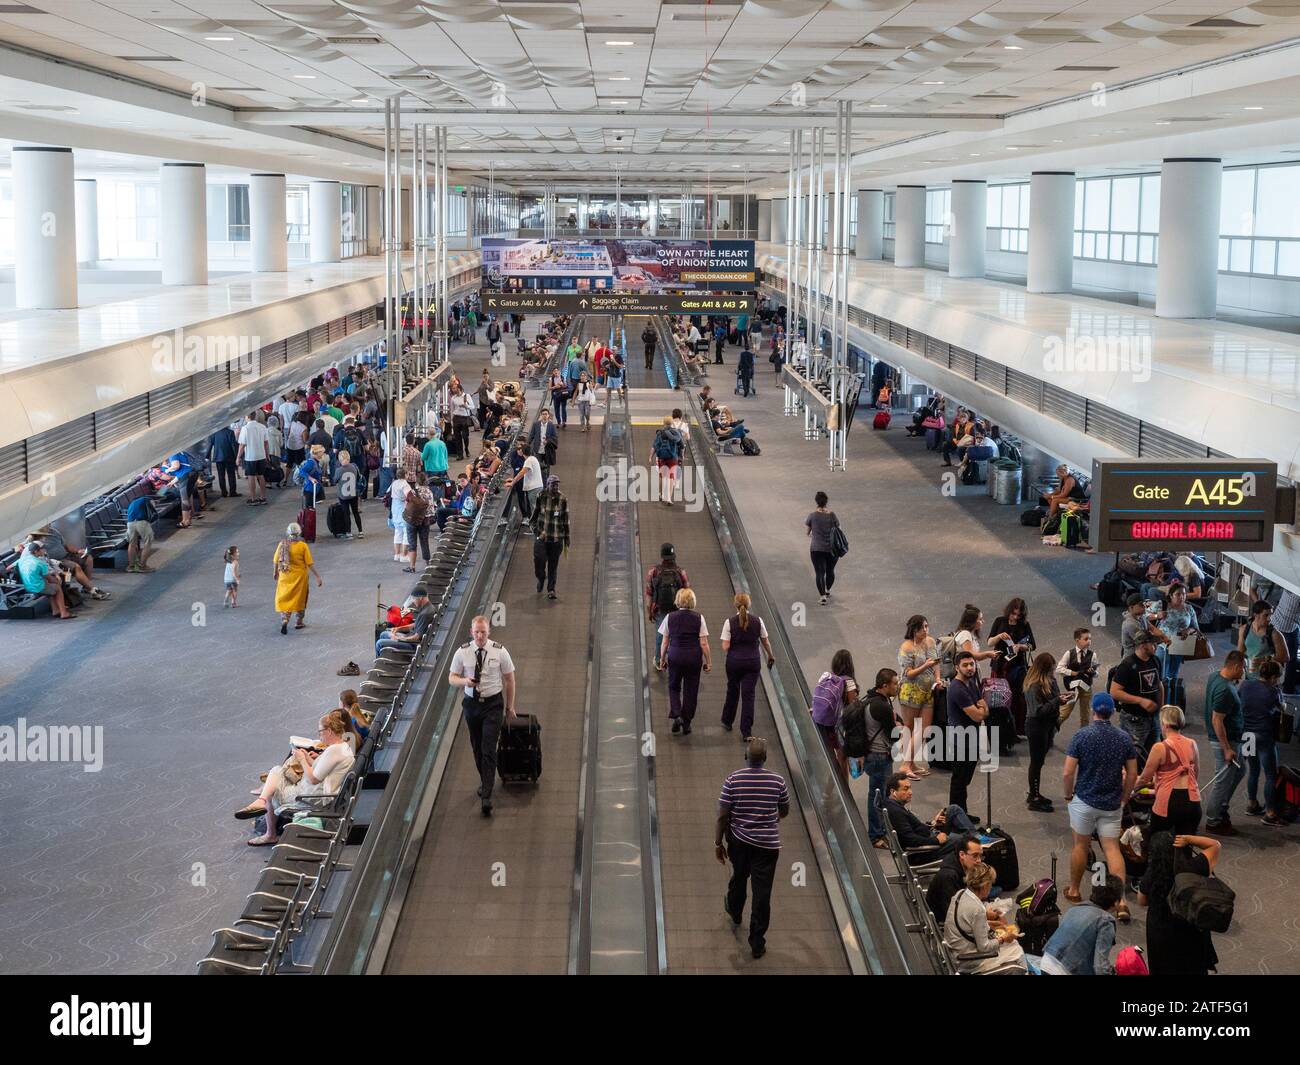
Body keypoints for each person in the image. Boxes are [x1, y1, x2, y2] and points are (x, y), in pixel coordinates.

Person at [1062, 694, 1137, 919]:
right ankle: (1121, 900)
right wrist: (1124, 798)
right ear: (1113, 712)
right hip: (1112, 803)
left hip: (1084, 800)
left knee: (1080, 846)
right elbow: (1132, 773)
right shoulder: (1124, 738)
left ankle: (1074, 890)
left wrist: (1068, 795)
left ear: (1094, 711)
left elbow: (1068, 772)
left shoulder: (1082, 735)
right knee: (1112, 849)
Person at [236, 710, 356, 846]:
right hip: (318, 791)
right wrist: (308, 758)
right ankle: (262, 801)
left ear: (329, 731)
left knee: (274, 779)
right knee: (276, 774)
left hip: (312, 796)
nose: (320, 736)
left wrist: (302, 760)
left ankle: (269, 832)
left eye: (320, 732)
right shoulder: (343, 746)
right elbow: (323, 771)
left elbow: (314, 779)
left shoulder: (333, 750)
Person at [716, 737, 789, 960]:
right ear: (765, 759)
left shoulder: (733, 779)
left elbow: (722, 816)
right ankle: (757, 941)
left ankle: (735, 910)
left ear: (746, 757)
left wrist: (718, 843)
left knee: (739, 877)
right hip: (767, 845)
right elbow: (784, 810)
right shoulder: (778, 781)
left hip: (739, 841)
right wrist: (770, 818)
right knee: (762, 891)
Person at [448, 616, 517, 817]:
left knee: (488, 747)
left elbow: (510, 679)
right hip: (471, 705)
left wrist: (510, 707)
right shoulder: (462, 652)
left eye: (483, 632)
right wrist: (465, 682)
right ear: (471, 632)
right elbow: (451, 678)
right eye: (477, 632)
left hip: (493, 704)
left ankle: (486, 794)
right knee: (477, 747)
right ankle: (485, 779)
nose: (480, 636)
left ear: (489, 632)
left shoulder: (499, 650)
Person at [1138, 831, 1221, 975]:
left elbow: (1142, 900)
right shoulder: (1195, 867)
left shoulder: (1153, 874)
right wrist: (1188, 839)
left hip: (1160, 930)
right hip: (1190, 926)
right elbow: (1215, 845)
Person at [845, 669, 901, 847]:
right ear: (885, 686)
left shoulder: (873, 699)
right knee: (877, 796)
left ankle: (881, 830)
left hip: (874, 754)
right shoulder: (882, 706)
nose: (897, 686)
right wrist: (898, 726)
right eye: (894, 683)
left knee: (881, 794)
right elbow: (894, 734)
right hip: (879, 756)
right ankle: (876, 835)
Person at [943, 862, 1027, 975]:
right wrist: (1003, 939)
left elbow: (967, 924)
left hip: (955, 951)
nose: (991, 887)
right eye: (991, 884)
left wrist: (989, 924)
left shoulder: (960, 894)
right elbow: (984, 948)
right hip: (968, 961)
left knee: (1011, 945)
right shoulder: (977, 909)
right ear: (984, 886)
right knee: (1016, 950)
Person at [1135, 705, 1203, 835]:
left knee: (1157, 843)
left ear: (1165, 724)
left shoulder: (1160, 747)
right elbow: (1196, 773)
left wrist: (1130, 790)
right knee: (1186, 846)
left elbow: (1144, 778)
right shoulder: (1192, 743)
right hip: (1192, 800)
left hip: (1169, 802)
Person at [1040, 875, 1123, 976]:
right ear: (1116, 902)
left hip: (1045, 961)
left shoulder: (1074, 909)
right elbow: (1100, 967)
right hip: (1065, 970)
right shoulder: (1106, 922)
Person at [719, 593, 775, 741]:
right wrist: (770, 655)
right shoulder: (758, 621)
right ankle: (746, 732)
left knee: (733, 690)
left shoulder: (729, 622)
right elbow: (765, 642)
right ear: (749, 605)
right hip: (752, 662)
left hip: (734, 663)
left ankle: (727, 721)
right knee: (748, 696)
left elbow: (725, 646)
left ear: (735, 605)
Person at [1203, 649, 1247, 836]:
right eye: (1242, 668)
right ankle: (1213, 820)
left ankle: (1221, 807)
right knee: (1222, 781)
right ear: (1236, 666)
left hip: (1229, 738)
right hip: (1224, 741)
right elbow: (1216, 720)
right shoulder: (1225, 690)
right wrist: (1227, 748)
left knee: (1240, 770)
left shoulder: (1216, 677)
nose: (1243, 671)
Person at [885, 772, 977, 856]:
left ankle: (978, 841)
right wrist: (936, 840)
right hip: (924, 850)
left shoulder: (894, 805)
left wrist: (933, 824)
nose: (910, 792)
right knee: (965, 840)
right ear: (893, 792)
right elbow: (910, 840)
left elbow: (915, 828)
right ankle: (979, 844)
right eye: (905, 789)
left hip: (929, 835)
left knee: (953, 809)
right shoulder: (895, 812)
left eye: (910, 788)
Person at [659, 587, 710, 735]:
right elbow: (704, 643)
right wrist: (708, 661)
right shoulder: (699, 618)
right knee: (691, 690)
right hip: (693, 657)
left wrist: (662, 659)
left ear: (678, 601)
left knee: (674, 686)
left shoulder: (670, 617)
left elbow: (665, 642)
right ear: (692, 601)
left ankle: (677, 714)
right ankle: (686, 722)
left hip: (675, 655)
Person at [1240, 658, 1285, 826]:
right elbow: (1282, 708)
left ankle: (1252, 804)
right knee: (1271, 775)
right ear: (1272, 677)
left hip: (1247, 734)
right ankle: (1270, 813)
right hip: (1264, 735)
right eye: (1277, 677)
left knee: (1253, 771)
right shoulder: (1272, 691)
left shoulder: (1245, 685)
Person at [1109, 631, 1165, 762]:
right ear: (1143, 645)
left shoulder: (1155, 660)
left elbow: (1159, 685)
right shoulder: (1127, 665)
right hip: (1134, 720)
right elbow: (1115, 692)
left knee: (1153, 754)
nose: (1156, 647)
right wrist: (1140, 700)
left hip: (1154, 718)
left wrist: (1161, 710)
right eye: (1153, 644)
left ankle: (1147, 780)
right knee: (1133, 758)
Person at [1023, 652, 1068, 812]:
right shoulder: (1033, 685)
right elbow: (1037, 711)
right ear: (1044, 670)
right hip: (1036, 727)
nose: (1053, 672)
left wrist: (1062, 698)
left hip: (1048, 726)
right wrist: (1057, 701)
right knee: (1036, 763)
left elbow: (1053, 698)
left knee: (1039, 762)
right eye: (1051, 669)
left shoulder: (1050, 680)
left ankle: (1034, 793)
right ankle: (1034, 798)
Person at [944, 652, 987, 812]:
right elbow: (978, 715)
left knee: (964, 782)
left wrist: (981, 709)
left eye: (972, 664)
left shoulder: (971, 683)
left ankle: (962, 814)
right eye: (965, 665)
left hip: (971, 740)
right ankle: (955, 817)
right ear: (957, 667)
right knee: (959, 783)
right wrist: (982, 708)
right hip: (961, 743)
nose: (970, 668)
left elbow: (983, 710)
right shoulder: (957, 689)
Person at [897, 615, 940, 779]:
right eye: (923, 627)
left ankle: (911, 763)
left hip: (928, 690)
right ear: (914, 630)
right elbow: (908, 674)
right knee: (908, 727)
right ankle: (905, 764)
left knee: (924, 729)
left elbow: (936, 662)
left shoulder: (930, 641)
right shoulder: (906, 647)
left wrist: (937, 679)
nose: (926, 630)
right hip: (911, 691)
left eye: (927, 626)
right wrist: (925, 666)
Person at [990, 597, 1035, 738]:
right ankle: (1001, 729)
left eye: (1018, 615)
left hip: (1018, 667)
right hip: (1000, 665)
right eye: (1013, 614)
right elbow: (989, 642)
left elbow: (1032, 646)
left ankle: (1019, 729)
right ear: (1009, 611)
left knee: (1019, 698)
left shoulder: (1025, 625)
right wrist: (998, 636)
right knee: (1000, 697)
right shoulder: (999, 621)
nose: (1015, 617)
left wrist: (1020, 646)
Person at [811, 649, 858, 778]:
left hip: (822, 721)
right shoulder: (848, 682)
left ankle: (829, 792)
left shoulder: (826, 676)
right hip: (839, 725)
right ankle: (844, 790)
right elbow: (853, 707)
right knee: (842, 757)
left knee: (833, 757)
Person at [926, 834, 990, 924]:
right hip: (945, 921)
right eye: (975, 856)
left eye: (980, 856)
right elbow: (953, 913)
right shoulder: (948, 876)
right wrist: (984, 914)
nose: (979, 860)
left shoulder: (964, 866)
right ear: (962, 855)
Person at [272, 522, 321, 635]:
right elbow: (309, 563)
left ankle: (285, 619)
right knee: (300, 599)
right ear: (299, 533)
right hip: (300, 578)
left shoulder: (282, 544)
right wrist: (317, 576)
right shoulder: (302, 546)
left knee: (285, 599)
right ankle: (299, 622)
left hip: (285, 576)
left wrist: (275, 573)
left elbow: (275, 560)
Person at [645, 542, 689, 667]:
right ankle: (675, 659)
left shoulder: (653, 572)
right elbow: (688, 592)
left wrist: (649, 612)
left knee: (661, 634)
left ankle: (659, 661)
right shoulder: (680, 571)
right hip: (678, 609)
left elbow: (649, 593)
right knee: (676, 635)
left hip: (660, 609)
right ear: (674, 555)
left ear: (662, 556)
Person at [530, 475, 569, 599]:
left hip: (556, 539)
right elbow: (533, 518)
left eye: (557, 484)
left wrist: (567, 538)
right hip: (541, 538)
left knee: (553, 565)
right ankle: (541, 578)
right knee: (539, 560)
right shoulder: (541, 496)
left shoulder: (563, 499)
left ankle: (551, 589)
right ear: (548, 485)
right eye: (553, 484)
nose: (556, 487)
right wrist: (536, 531)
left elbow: (566, 520)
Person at [16, 541, 76, 619]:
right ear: (36, 551)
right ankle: (64, 613)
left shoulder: (21, 560)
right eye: (42, 549)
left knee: (49, 585)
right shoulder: (40, 563)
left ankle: (55, 610)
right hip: (37, 587)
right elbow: (50, 578)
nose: (44, 550)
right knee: (57, 588)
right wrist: (58, 582)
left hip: (26, 586)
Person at [1056, 627, 1099, 729]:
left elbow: (1097, 674)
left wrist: (1093, 672)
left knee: (1085, 715)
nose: (1089, 641)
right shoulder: (1069, 653)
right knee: (1064, 713)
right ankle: (1050, 733)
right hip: (1072, 689)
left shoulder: (1093, 655)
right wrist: (1072, 673)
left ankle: (1084, 737)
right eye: (1086, 639)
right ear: (1077, 640)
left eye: (1090, 639)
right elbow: (1059, 669)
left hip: (1086, 688)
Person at [1238, 599, 1289, 680]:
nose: (1269, 619)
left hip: (1268, 679)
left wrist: (1265, 659)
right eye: (1266, 615)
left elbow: (1285, 657)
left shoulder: (1274, 634)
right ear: (1256, 615)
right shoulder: (1244, 629)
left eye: (1270, 615)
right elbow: (1240, 653)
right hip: (1249, 676)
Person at [805, 491, 841, 606]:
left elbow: (808, 532)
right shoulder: (832, 515)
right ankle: (828, 590)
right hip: (832, 549)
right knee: (830, 571)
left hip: (817, 549)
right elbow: (839, 528)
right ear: (826, 502)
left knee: (820, 572)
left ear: (816, 501)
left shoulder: (812, 516)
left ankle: (822, 596)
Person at [376, 586, 432, 656]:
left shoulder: (425, 614)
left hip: (412, 645)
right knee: (383, 634)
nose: (413, 601)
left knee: (379, 643)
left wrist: (398, 639)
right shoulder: (427, 608)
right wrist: (398, 628)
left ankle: (380, 664)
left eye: (414, 598)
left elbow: (416, 638)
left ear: (421, 598)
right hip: (409, 637)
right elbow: (415, 624)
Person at [236, 411, 270, 505]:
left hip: (250, 456)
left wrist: (238, 457)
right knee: (261, 476)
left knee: (251, 477)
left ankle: (253, 498)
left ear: (247, 416)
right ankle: (263, 497)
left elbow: (242, 445)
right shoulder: (262, 427)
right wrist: (267, 455)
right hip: (261, 455)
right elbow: (266, 443)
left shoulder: (245, 428)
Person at [508, 444, 544, 529]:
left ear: (522, 452)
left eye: (520, 449)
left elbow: (522, 473)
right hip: (538, 487)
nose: (518, 450)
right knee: (536, 507)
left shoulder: (529, 461)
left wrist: (512, 482)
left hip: (534, 488)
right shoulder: (533, 459)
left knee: (534, 509)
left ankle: (538, 528)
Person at [652, 415, 684, 507]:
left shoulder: (659, 433)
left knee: (662, 476)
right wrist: (681, 456)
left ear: (663, 423)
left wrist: (651, 456)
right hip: (673, 457)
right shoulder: (676, 433)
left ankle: (661, 494)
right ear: (672, 423)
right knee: (671, 477)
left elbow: (655, 445)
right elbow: (681, 445)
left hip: (662, 457)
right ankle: (669, 498)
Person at [123, 491, 157, 573]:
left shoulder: (132, 504)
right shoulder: (146, 499)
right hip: (142, 522)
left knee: (132, 544)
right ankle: (143, 566)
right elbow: (153, 509)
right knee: (147, 543)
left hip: (130, 523)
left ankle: (131, 566)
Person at [335, 449, 363, 539]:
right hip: (353, 494)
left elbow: (335, 480)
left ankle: (349, 532)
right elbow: (358, 478)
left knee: (346, 514)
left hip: (343, 496)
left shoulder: (338, 470)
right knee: (356, 513)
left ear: (340, 460)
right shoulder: (354, 467)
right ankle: (360, 531)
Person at [209, 423, 240, 498]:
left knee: (221, 475)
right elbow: (233, 445)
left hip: (218, 458)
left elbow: (210, 445)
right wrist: (237, 456)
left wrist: (207, 456)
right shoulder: (230, 432)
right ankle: (232, 492)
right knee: (231, 475)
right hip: (229, 457)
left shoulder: (214, 434)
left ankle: (224, 493)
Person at [388, 469, 412, 563]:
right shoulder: (405, 484)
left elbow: (388, 493)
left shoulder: (394, 483)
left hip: (395, 508)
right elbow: (409, 496)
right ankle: (404, 555)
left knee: (397, 532)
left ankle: (397, 554)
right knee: (406, 532)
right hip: (403, 508)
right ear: (405, 475)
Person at [528, 408, 559, 477]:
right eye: (543, 414)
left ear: (548, 415)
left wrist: (547, 441)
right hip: (538, 450)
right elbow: (531, 436)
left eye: (546, 414)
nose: (544, 416)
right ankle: (540, 481)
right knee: (538, 466)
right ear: (540, 415)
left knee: (547, 467)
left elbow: (555, 437)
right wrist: (527, 446)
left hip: (547, 450)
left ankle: (546, 482)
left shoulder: (551, 426)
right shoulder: (536, 424)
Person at [547, 364, 569, 428]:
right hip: (556, 395)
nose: (556, 372)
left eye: (557, 370)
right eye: (554, 371)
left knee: (563, 408)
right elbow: (549, 388)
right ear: (553, 372)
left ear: (559, 371)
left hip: (563, 394)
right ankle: (559, 422)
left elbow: (566, 386)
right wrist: (555, 387)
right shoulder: (551, 378)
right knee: (557, 409)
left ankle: (564, 421)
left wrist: (562, 384)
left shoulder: (562, 377)